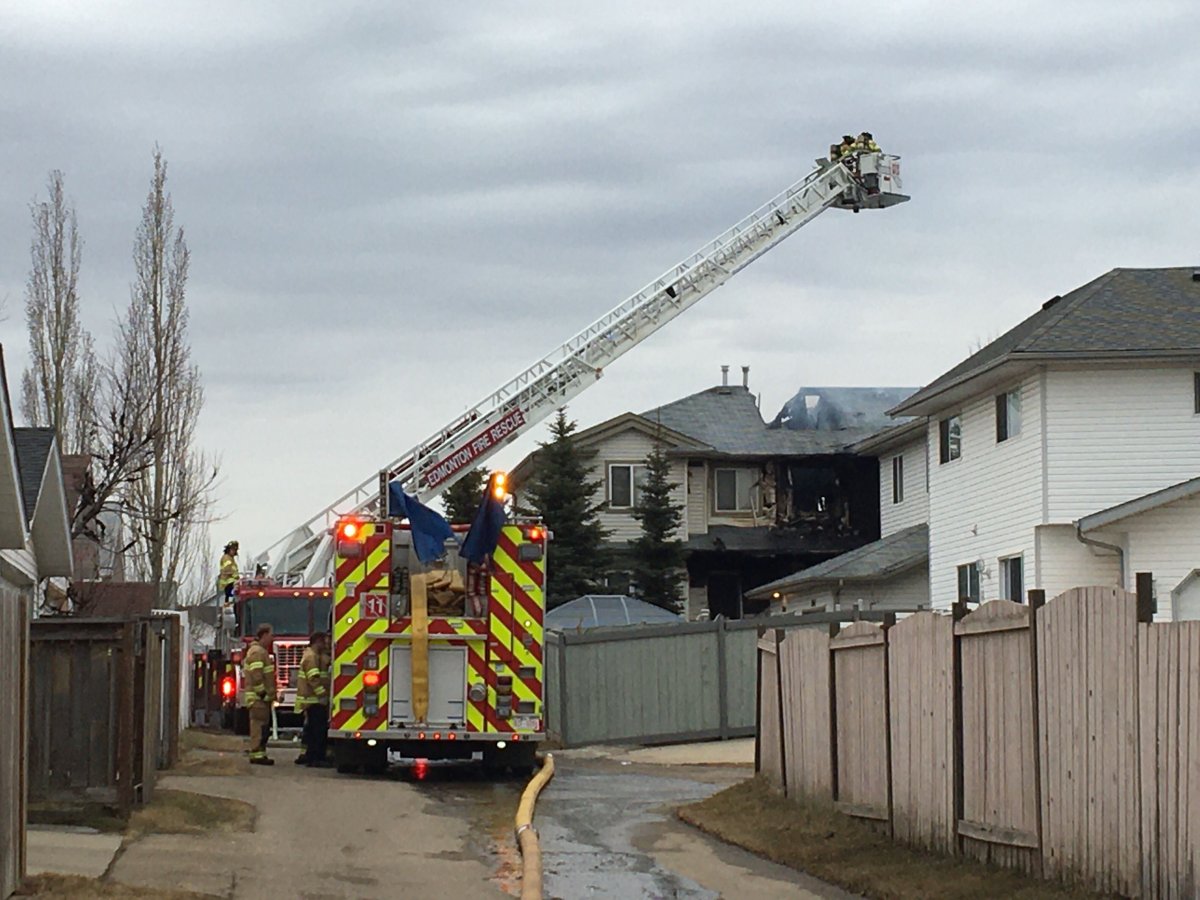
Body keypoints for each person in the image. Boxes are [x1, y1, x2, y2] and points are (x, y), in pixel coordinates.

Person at [295, 631, 332, 767]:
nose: (326, 644)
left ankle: (310, 756)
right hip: (314, 700)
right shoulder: (311, 657)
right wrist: (322, 695)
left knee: (311, 730)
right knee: (318, 730)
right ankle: (316, 758)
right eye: (324, 642)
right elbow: (313, 678)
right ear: (318, 642)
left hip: (312, 700)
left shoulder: (315, 655)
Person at [242, 623, 276, 766]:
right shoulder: (257, 652)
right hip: (258, 698)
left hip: (260, 698)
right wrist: (262, 693)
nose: (272, 638)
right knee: (258, 726)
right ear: (264, 635)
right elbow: (257, 675)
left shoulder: (259, 651)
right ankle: (256, 754)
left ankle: (260, 753)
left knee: (262, 727)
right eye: (271, 634)